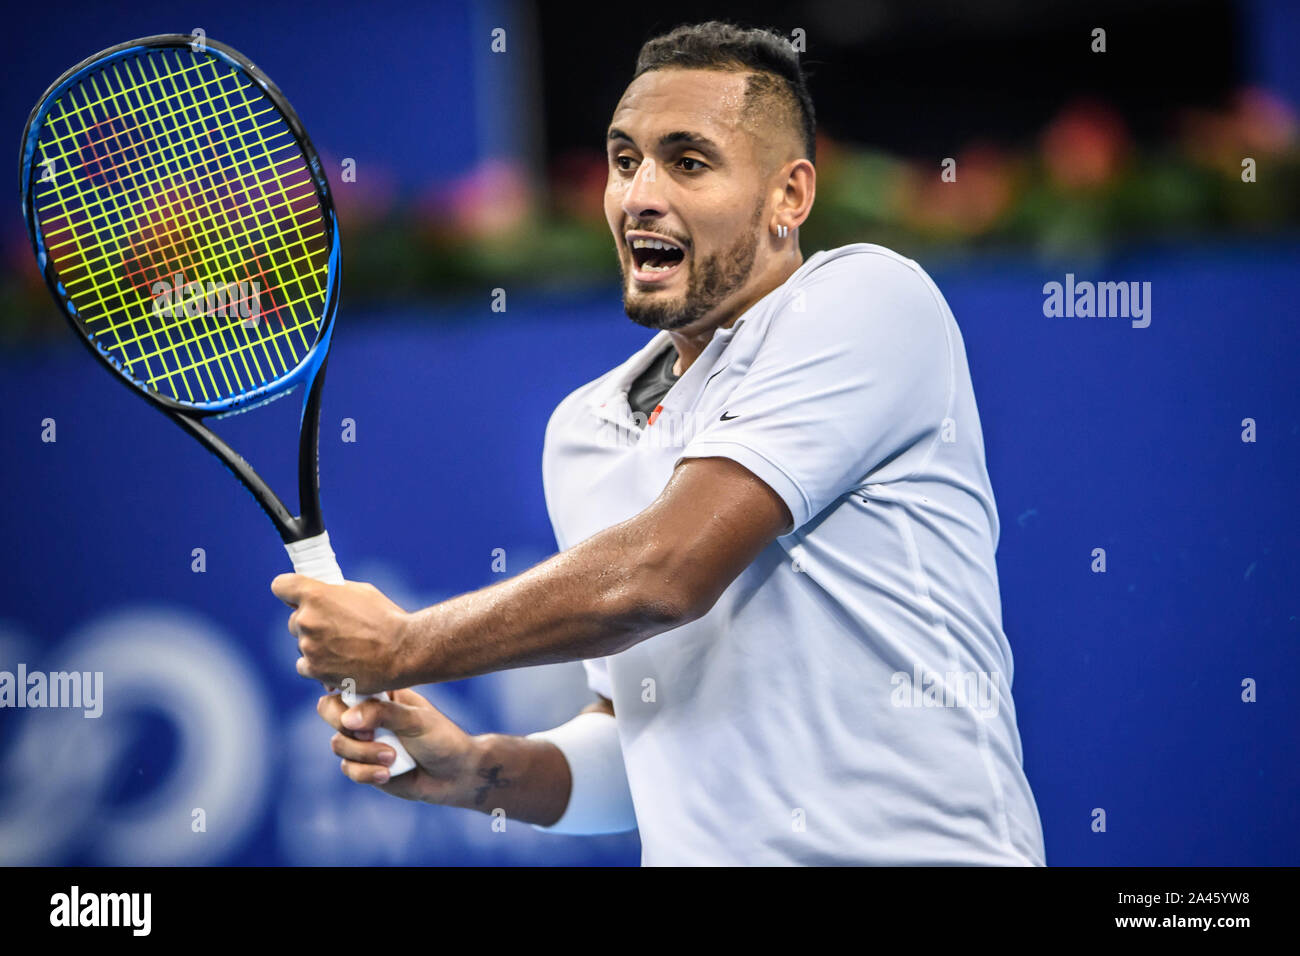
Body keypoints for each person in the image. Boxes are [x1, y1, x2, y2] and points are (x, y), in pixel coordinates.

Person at [273, 20, 1046, 866]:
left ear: (790, 197)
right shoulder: (582, 430)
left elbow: (662, 576)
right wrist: (477, 770)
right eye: (624, 158)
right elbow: (644, 746)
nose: (640, 192)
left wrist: (404, 646)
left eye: (688, 161)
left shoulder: (870, 301)